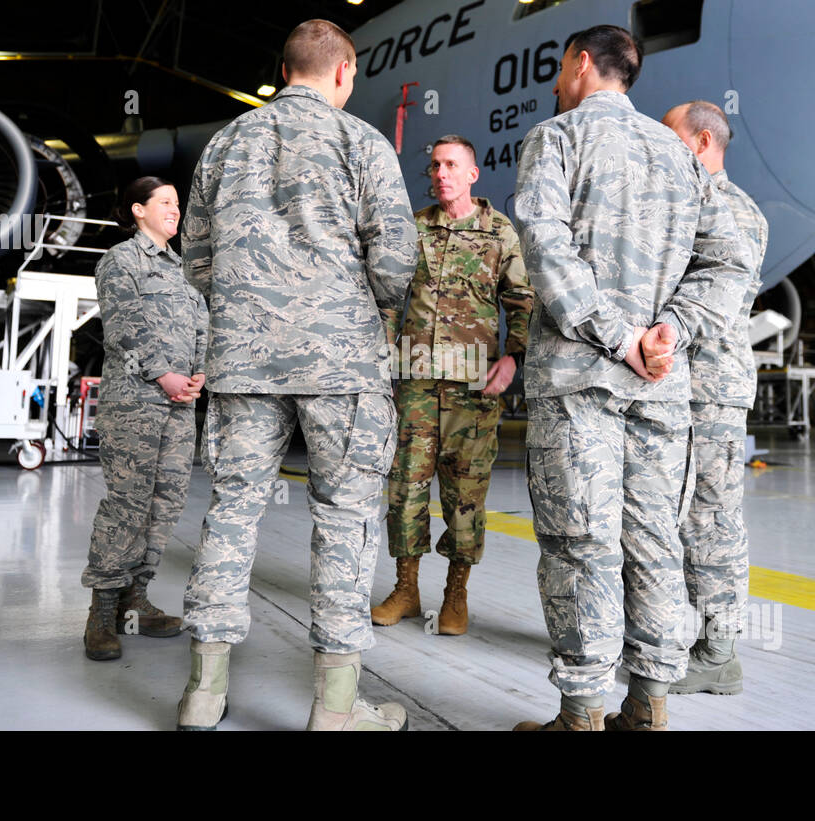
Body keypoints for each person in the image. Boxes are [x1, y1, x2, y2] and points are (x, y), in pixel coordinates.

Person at [177, 19, 418, 731]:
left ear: (284, 71)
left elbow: (195, 258)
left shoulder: (226, 142)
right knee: (345, 518)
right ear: (343, 72)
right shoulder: (361, 142)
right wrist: (356, 307)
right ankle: (335, 709)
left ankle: (202, 694)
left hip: (243, 362)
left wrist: (246, 310)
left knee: (232, 509)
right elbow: (395, 262)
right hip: (340, 363)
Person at [511, 25, 749, 731]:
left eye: (562, 67)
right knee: (654, 543)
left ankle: (582, 713)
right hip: (661, 388)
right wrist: (670, 330)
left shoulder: (556, 138)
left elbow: (544, 246)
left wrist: (617, 338)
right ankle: (649, 705)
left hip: (579, 380)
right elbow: (729, 262)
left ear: (582, 63)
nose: (559, 81)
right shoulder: (679, 156)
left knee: (580, 541)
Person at [370, 135, 533, 636]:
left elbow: (522, 300)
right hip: (415, 384)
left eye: (451, 165)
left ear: (472, 174)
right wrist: (382, 361)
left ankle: (455, 594)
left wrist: (513, 358)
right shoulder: (414, 228)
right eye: (436, 165)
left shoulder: (499, 231)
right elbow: (390, 298)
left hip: (473, 389)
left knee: (465, 495)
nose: (441, 173)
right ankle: (405, 589)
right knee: (405, 489)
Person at [662, 100, 768, 695]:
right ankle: (671, 636)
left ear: (704, 142)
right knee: (672, 516)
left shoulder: (732, 209)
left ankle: (720, 653)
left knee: (711, 517)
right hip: (679, 385)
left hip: (712, 389)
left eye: (671, 136)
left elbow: (714, 303)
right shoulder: (690, 202)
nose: (662, 146)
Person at [81, 176, 207, 662]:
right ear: (139, 209)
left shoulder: (182, 269)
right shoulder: (122, 260)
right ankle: (102, 611)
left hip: (179, 407)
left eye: (178, 203)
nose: (175, 210)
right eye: (165, 202)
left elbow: (202, 327)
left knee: (165, 504)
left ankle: (135, 599)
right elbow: (122, 326)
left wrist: (198, 373)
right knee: (127, 505)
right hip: (134, 404)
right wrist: (164, 375)